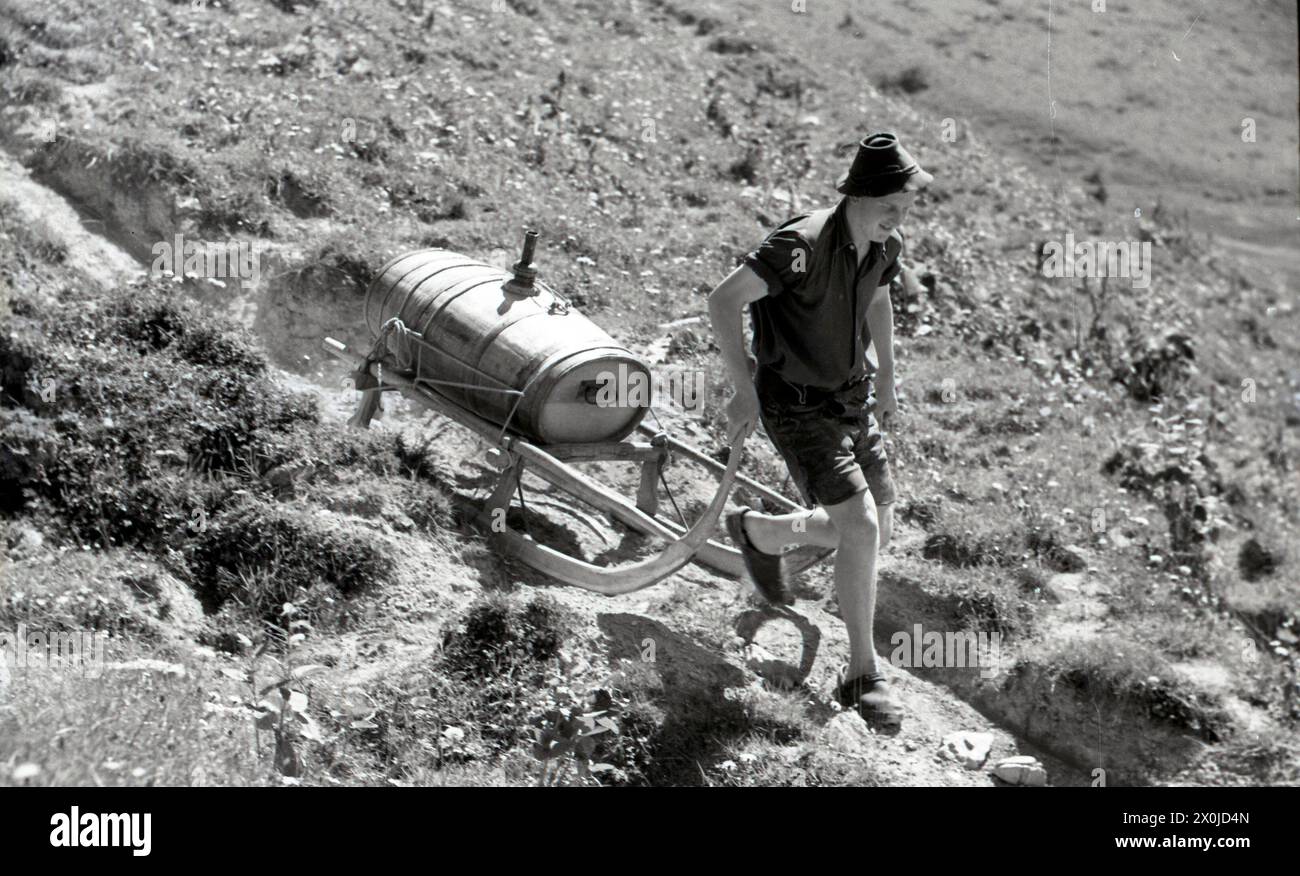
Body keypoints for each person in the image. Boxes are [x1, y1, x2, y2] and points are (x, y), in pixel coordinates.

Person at [706, 132, 932, 730]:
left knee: (873, 522)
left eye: (905, 208)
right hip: (797, 404)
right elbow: (723, 301)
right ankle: (863, 672)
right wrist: (743, 389)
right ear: (857, 195)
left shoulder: (885, 244)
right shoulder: (798, 247)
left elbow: (878, 302)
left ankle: (762, 533)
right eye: (890, 206)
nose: (897, 218)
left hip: (852, 396)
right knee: (859, 525)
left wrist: (887, 378)